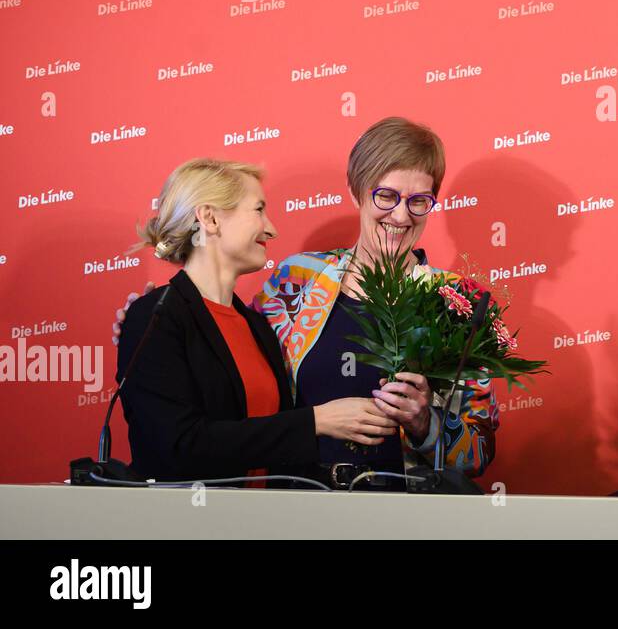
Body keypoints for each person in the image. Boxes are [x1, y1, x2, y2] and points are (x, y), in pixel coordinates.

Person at [115, 117, 498, 489]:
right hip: (293, 511)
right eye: (386, 195)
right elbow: (223, 356)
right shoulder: (295, 282)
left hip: (405, 517)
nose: (401, 215)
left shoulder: (458, 304)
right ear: (356, 191)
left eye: (419, 201)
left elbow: (478, 453)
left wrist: (424, 423)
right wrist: (158, 318)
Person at [118, 159, 398, 484]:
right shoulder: (153, 318)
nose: (271, 229)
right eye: (259, 210)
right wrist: (314, 421)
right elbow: (177, 446)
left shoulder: (257, 325)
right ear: (209, 218)